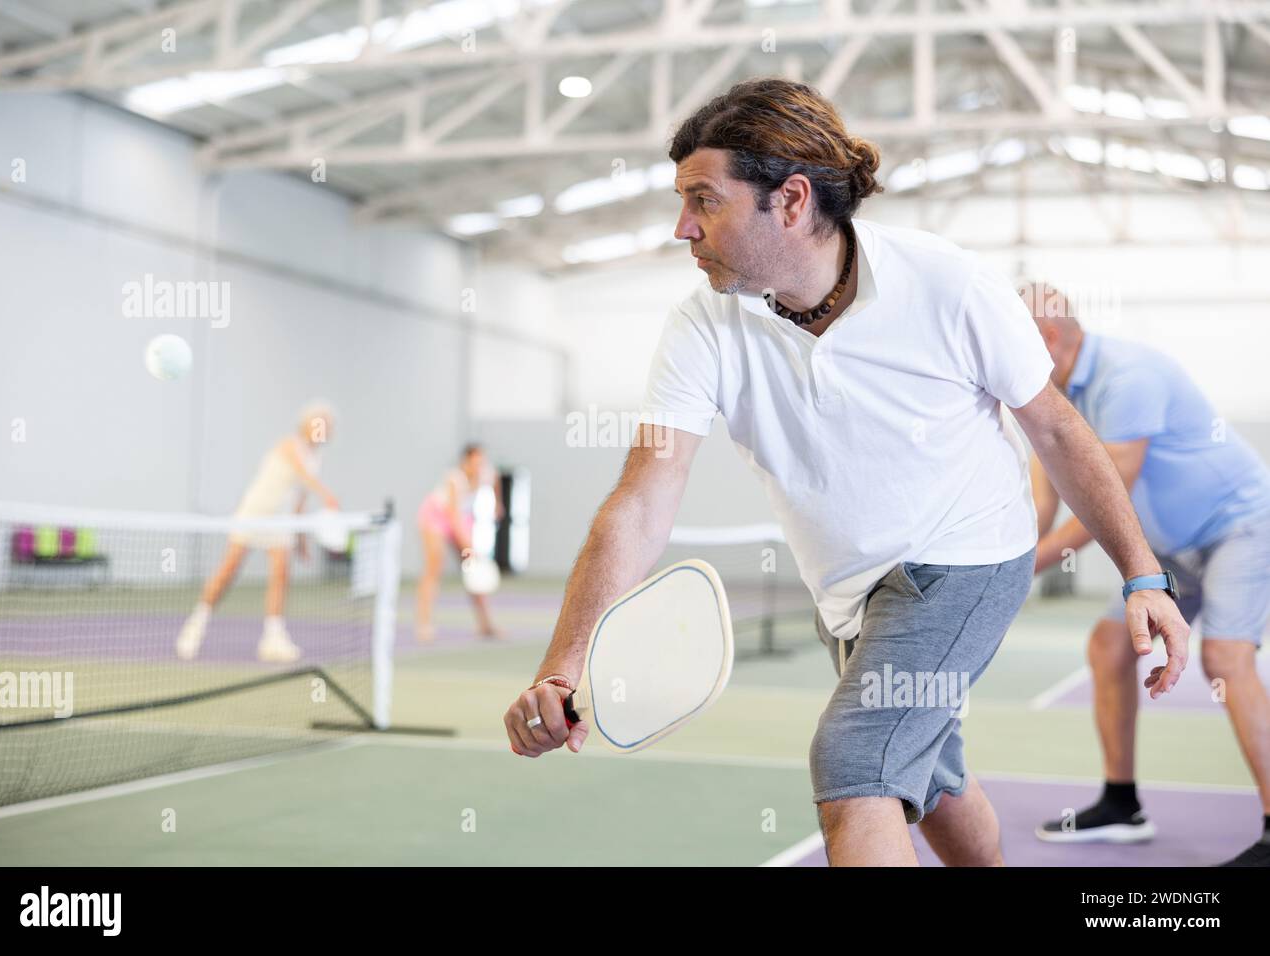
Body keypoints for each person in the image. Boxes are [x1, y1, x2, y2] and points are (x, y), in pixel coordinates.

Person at [501, 77, 1190, 867]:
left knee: (854, 764)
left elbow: (1059, 432)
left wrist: (1143, 577)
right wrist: (562, 666)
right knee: (933, 781)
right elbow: (640, 501)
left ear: (790, 201)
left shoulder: (949, 283)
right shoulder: (704, 325)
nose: (681, 227)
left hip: (965, 560)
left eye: (704, 199)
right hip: (850, 593)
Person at [1022, 283, 1270, 868]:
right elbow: (1046, 499)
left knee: (1225, 661)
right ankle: (1120, 804)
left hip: (1237, 528)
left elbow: (1108, 497)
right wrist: (1018, 553)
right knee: (1109, 648)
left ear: (1049, 336)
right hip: (1173, 550)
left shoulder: (1128, 376)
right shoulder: (1053, 394)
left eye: (1016, 340)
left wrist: (1022, 569)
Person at [176, 402, 340, 663]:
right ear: (306, 424)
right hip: (254, 513)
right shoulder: (289, 445)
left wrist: (302, 541)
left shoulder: (316, 459)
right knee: (228, 572)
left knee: (281, 574)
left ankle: (272, 638)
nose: (323, 427)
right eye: (318, 422)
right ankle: (195, 626)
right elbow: (301, 475)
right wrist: (328, 496)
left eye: (327, 424)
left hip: (280, 522)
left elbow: (300, 498)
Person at [414, 443, 503, 642]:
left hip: (462, 519)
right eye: (475, 462)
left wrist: (499, 503)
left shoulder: (487, 473)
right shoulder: (454, 479)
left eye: (482, 462)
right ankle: (424, 625)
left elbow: (495, 481)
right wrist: (468, 547)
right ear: (465, 462)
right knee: (433, 568)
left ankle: (485, 625)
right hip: (436, 518)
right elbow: (453, 517)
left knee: (473, 570)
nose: (478, 466)